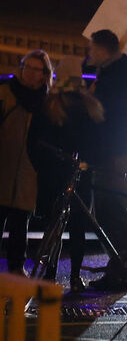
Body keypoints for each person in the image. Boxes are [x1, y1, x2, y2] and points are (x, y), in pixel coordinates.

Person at [86, 29, 127, 291]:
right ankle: (118, 268)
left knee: (116, 212)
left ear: (103, 49)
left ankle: (122, 272)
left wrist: (93, 103)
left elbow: (119, 118)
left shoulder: (121, 78)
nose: (89, 53)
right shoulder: (114, 75)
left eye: (92, 48)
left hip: (117, 152)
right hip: (110, 152)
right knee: (107, 213)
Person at [34, 62, 104, 290]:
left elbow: (36, 141)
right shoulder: (90, 106)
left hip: (54, 174)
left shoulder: (49, 106)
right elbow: (94, 144)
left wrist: (43, 167)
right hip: (81, 173)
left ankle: (49, 275)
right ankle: (75, 277)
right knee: (77, 228)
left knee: (53, 226)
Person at [0, 50, 52, 275]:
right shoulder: (4, 92)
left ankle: (16, 270)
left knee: (20, 225)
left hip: (29, 171)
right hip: (4, 166)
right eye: (26, 66)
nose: (30, 72)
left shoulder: (48, 103)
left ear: (44, 74)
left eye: (36, 69)